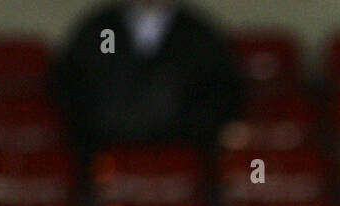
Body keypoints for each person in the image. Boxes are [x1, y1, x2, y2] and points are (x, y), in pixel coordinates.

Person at [52, 0, 244, 156]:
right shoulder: (98, 29)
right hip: (104, 153)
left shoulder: (198, 34)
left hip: (182, 154)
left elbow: (222, 92)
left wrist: (193, 130)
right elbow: (70, 88)